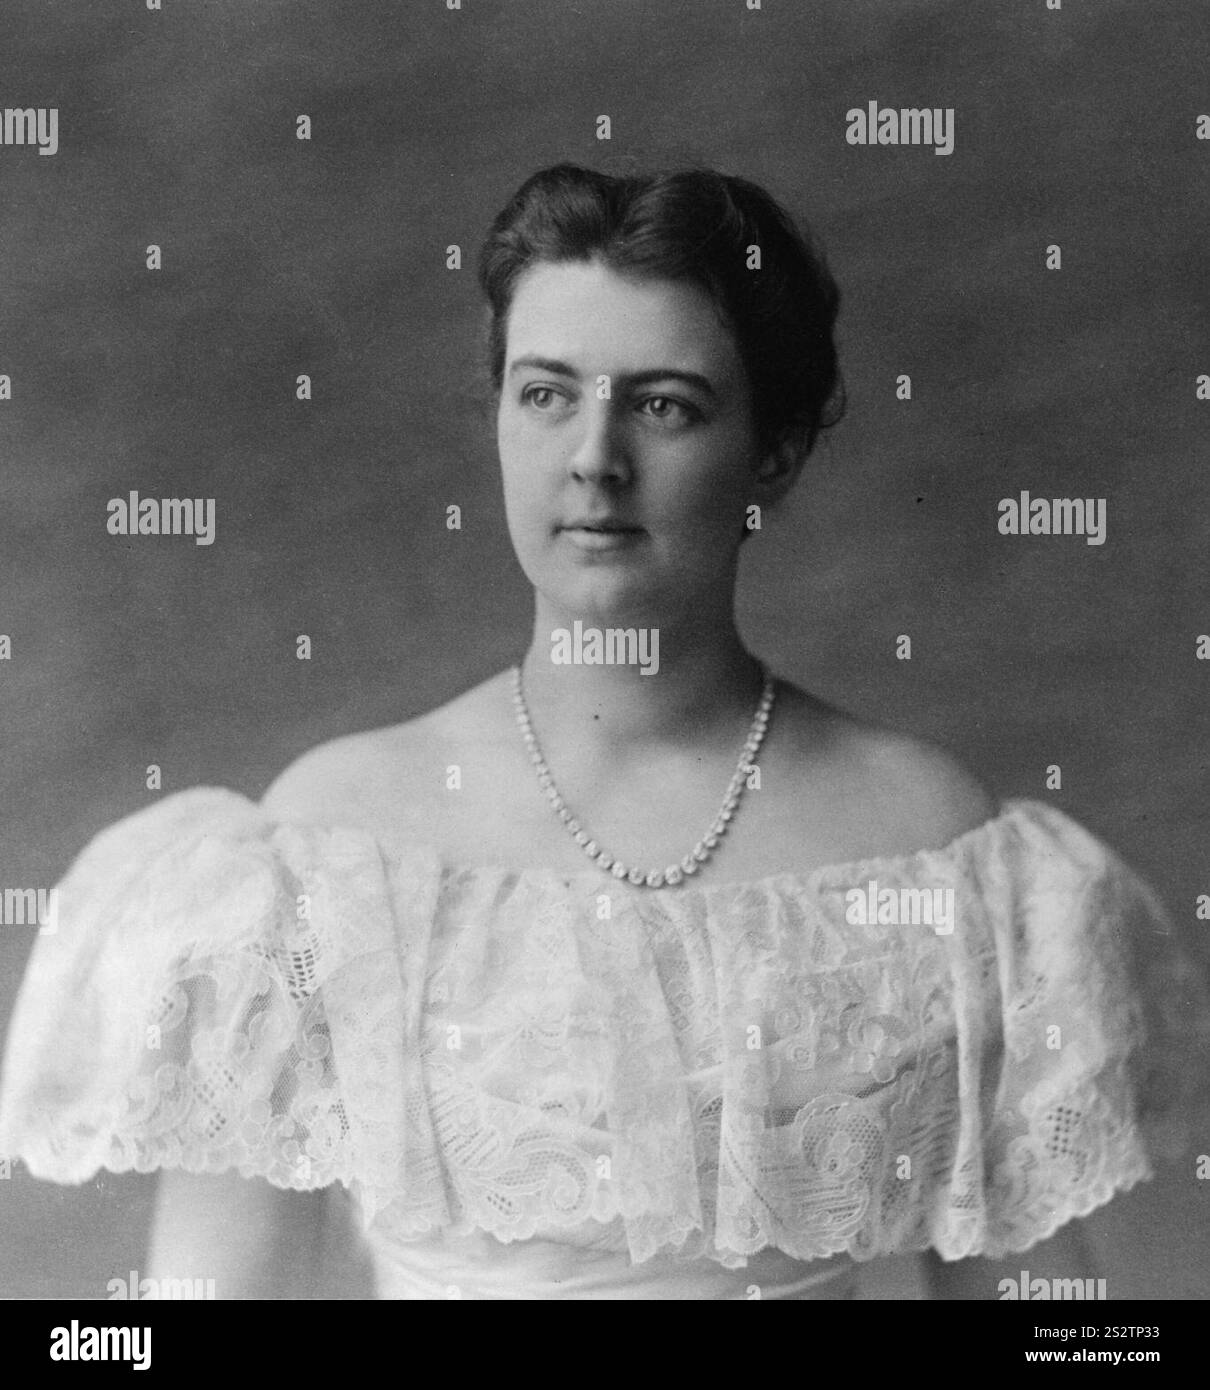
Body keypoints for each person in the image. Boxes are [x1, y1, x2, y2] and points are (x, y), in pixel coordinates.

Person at [0, 164, 1204, 1300]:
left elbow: (1057, 1324)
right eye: (545, 393)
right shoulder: (319, 849)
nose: (593, 459)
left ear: (771, 453)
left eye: (664, 406)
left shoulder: (940, 851)